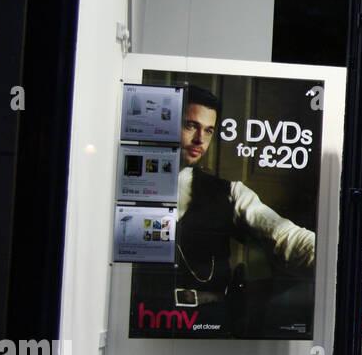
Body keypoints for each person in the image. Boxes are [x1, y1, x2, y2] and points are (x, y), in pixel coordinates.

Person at [133, 85, 316, 337]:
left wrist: (336, 257)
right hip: (147, 320)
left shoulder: (231, 192)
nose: (200, 140)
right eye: (190, 126)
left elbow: (284, 235)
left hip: (208, 323)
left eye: (208, 131)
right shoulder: (132, 180)